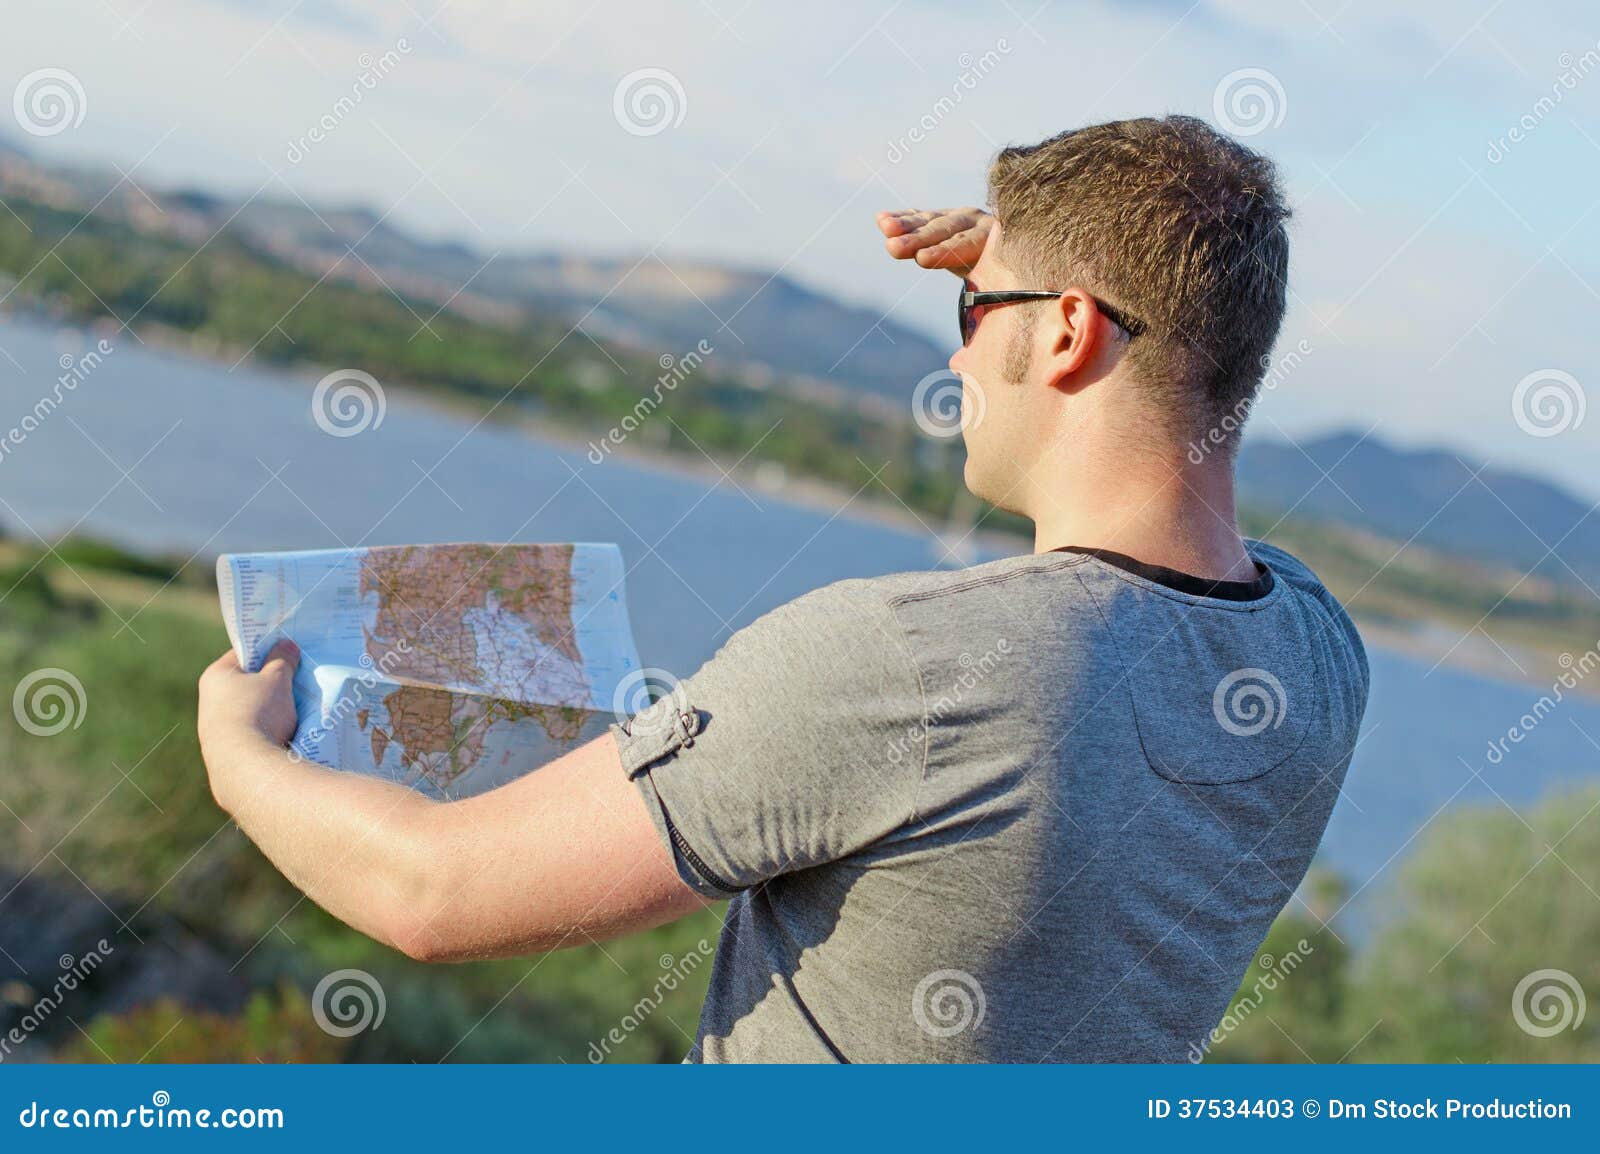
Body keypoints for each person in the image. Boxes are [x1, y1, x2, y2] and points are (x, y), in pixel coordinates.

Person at [198, 115, 1369, 1063]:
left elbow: (434, 891)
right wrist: (1027, 273)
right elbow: (1178, 478)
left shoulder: (910, 669)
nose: (957, 355)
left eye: (974, 315)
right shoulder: (1317, 655)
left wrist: (243, 760)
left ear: (1067, 333)